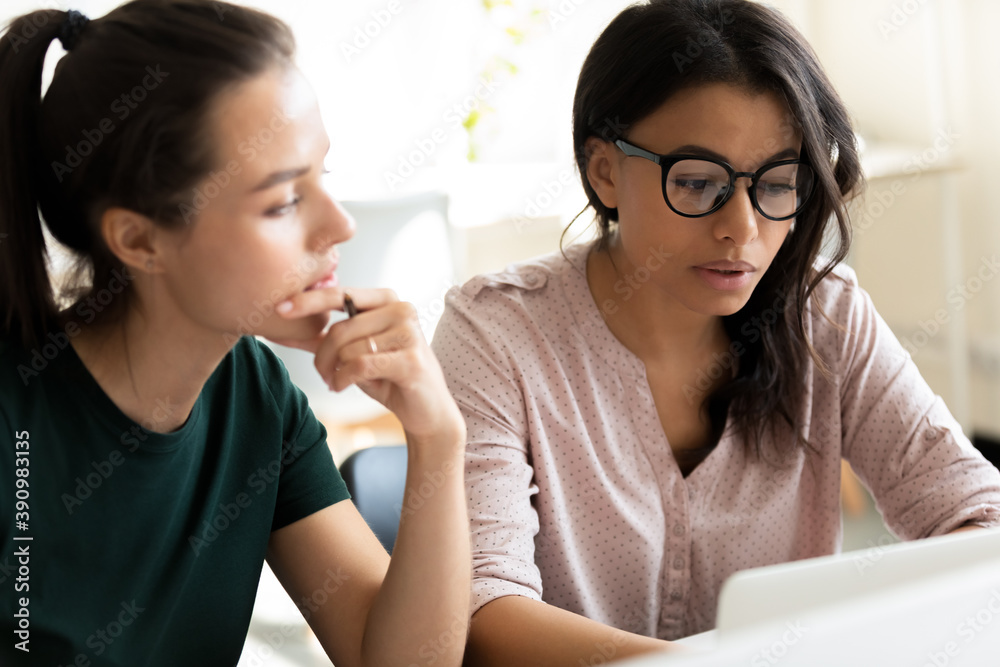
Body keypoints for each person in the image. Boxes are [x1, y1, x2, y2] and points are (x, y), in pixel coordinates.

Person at [430, 0, 1000, 664]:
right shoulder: (495, 333)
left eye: (778, 184)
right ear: (604, 170)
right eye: (699, 183)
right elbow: (487, 614)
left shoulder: (825, 313)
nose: (743, 229)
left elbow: (975, 517)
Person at [0, 1, 469, 665]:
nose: (340, 226)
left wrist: (438, 436)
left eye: (322, 176)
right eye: (282, 201)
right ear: (140, 240)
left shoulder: (255, 392)